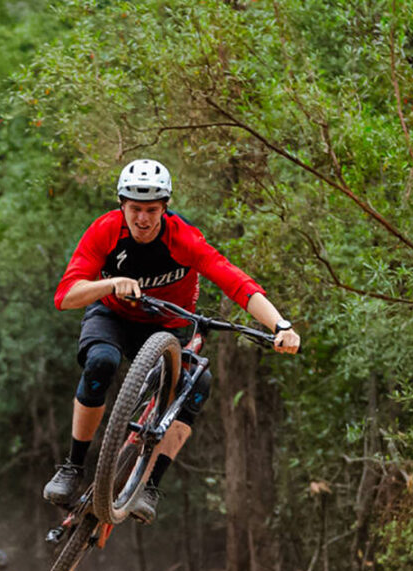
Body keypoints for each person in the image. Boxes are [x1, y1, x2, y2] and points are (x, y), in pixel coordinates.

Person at [44, 158, 301, 523]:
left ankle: (150, 487)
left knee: (198, 385)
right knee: (101, 362)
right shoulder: (105, 231)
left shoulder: (183, 238)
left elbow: (235, 282)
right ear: (122, 206)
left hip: (166, 325)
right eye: (135, 209)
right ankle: (72, 467)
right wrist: (110, 283)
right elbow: (65, 295)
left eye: (151, 210)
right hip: (112, 316)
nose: (143, 219)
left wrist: (281, 326)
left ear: (165, 208)